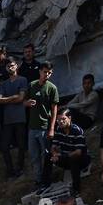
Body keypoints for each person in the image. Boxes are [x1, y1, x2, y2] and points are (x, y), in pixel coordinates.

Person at [25, 61, 60, 189]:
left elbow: (54, 109)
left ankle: (47, 180)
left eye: (49, 73)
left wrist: (51, 128)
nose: (47, 75)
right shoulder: (32, 85)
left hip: (44, 127)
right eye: (45, 72)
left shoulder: (52, 88)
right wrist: (27, 103)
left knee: (46, 156)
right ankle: (38, 180)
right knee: (34, 156)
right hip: (32, 127)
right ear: (40, 71)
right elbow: (24, 101)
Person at [0, 58, 30, 178]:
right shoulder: (4, 83)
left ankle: (19, 168)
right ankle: (10, 170)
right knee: (4, 146)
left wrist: (8, 99)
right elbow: (0, 100)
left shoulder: (23, 80)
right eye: (8, 66)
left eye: (12, 65)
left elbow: (21, 98)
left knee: (21, 145)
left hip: (20, 117)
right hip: (8, 119)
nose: (10, 68)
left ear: (17, 66)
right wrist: (14, 97)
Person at [47, 110, 91, 195]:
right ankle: (45, 183)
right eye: (58, 120)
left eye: (63, 119)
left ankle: (76, 189)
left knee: (74, 159)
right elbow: (53, 146)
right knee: (48, 156)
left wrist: (62, 156)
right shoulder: (59, 129)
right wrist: (54, 154)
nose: (61, 122)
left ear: (69, 118)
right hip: (66, 157)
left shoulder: (77, 131)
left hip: (81, 159)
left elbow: (78, 152)